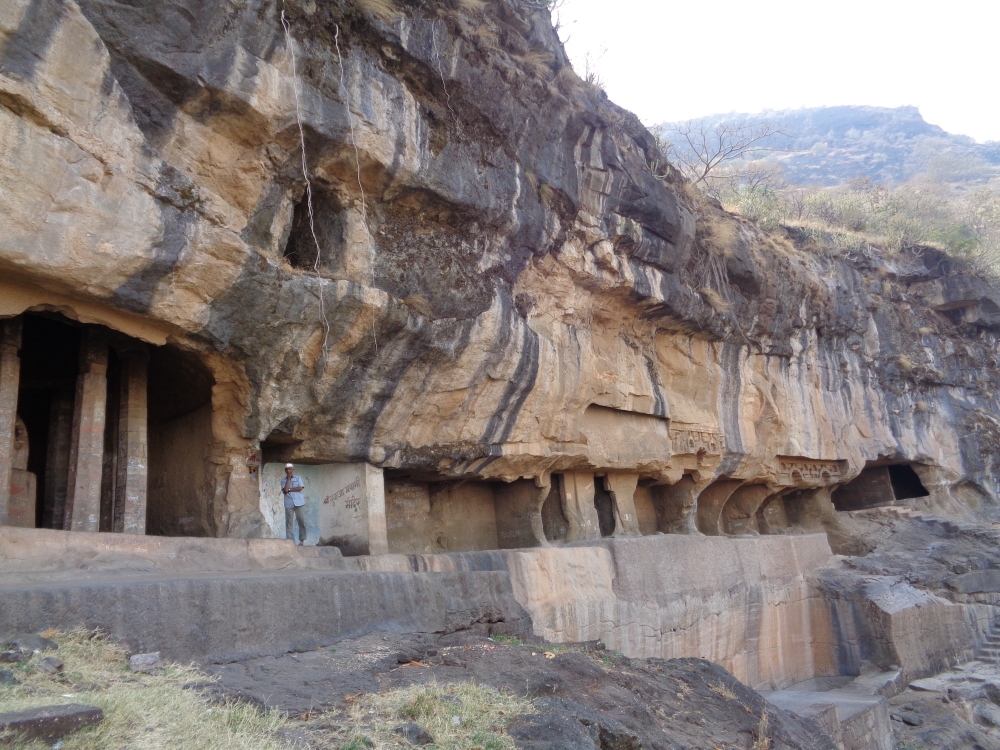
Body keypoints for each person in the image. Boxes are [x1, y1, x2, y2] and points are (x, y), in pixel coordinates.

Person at [281, 463, 307, 545]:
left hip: (299, 502)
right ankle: (290, 541)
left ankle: (302, 540)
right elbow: (285, 490)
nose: (288, 471)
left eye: (290, 469)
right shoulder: (283, 480)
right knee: (289, 523)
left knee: (301, 521)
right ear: (285, 471)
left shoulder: (298, 478)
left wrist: (289, 489)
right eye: (287, 469)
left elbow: (300, 488)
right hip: (289, 503)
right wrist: (288, 479)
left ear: (292, 469)